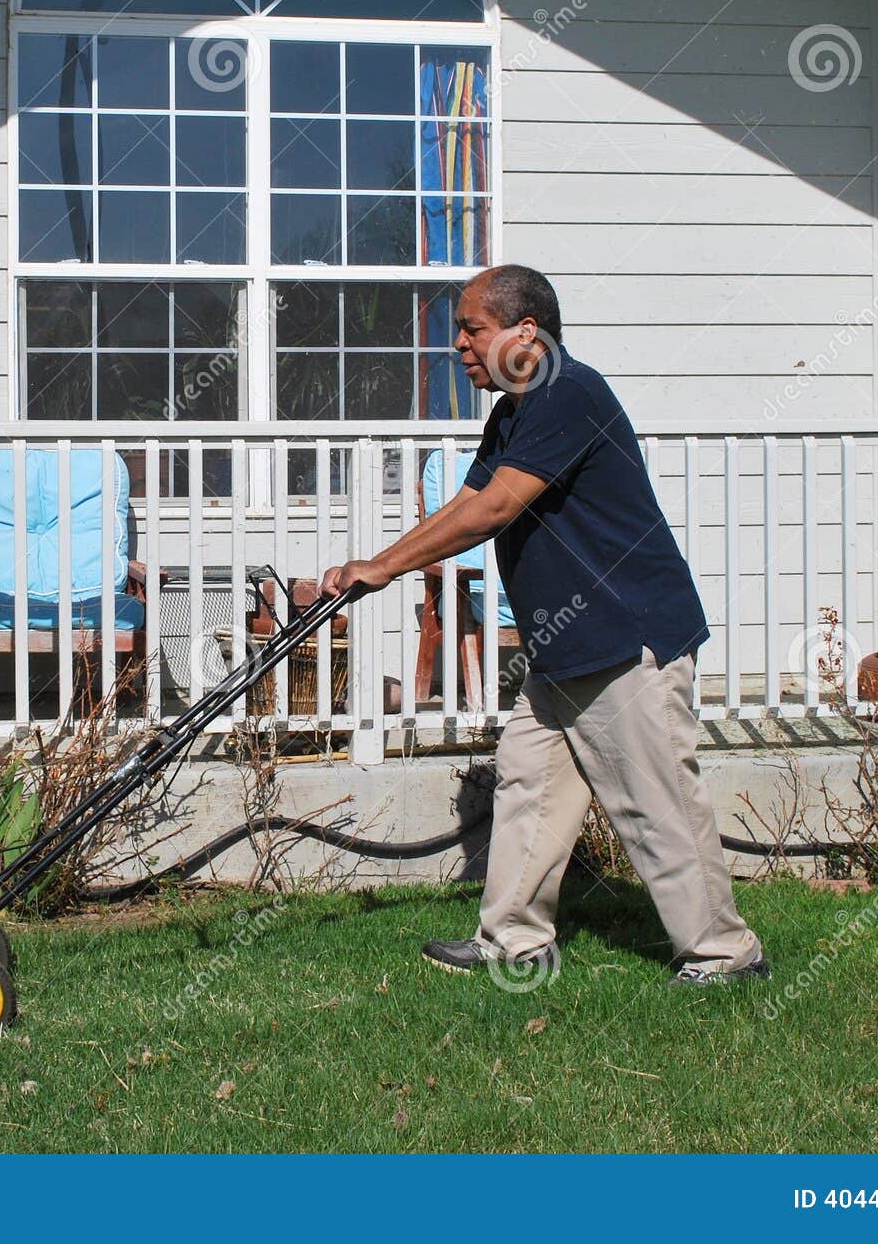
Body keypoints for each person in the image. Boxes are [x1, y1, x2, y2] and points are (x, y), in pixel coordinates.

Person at [319, 265, 768, 986]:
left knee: (655, 803)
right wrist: (374, 563)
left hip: (625, 640)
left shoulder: (567, 392)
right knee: (530, 785)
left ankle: (726, 954)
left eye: (472, 329)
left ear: (525, 332)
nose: (458, 345)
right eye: (459, 331)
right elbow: (465, 501)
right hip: (566, 649)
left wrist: (387, 567)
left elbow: (494, 510)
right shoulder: (514, 412)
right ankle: (513, 941)